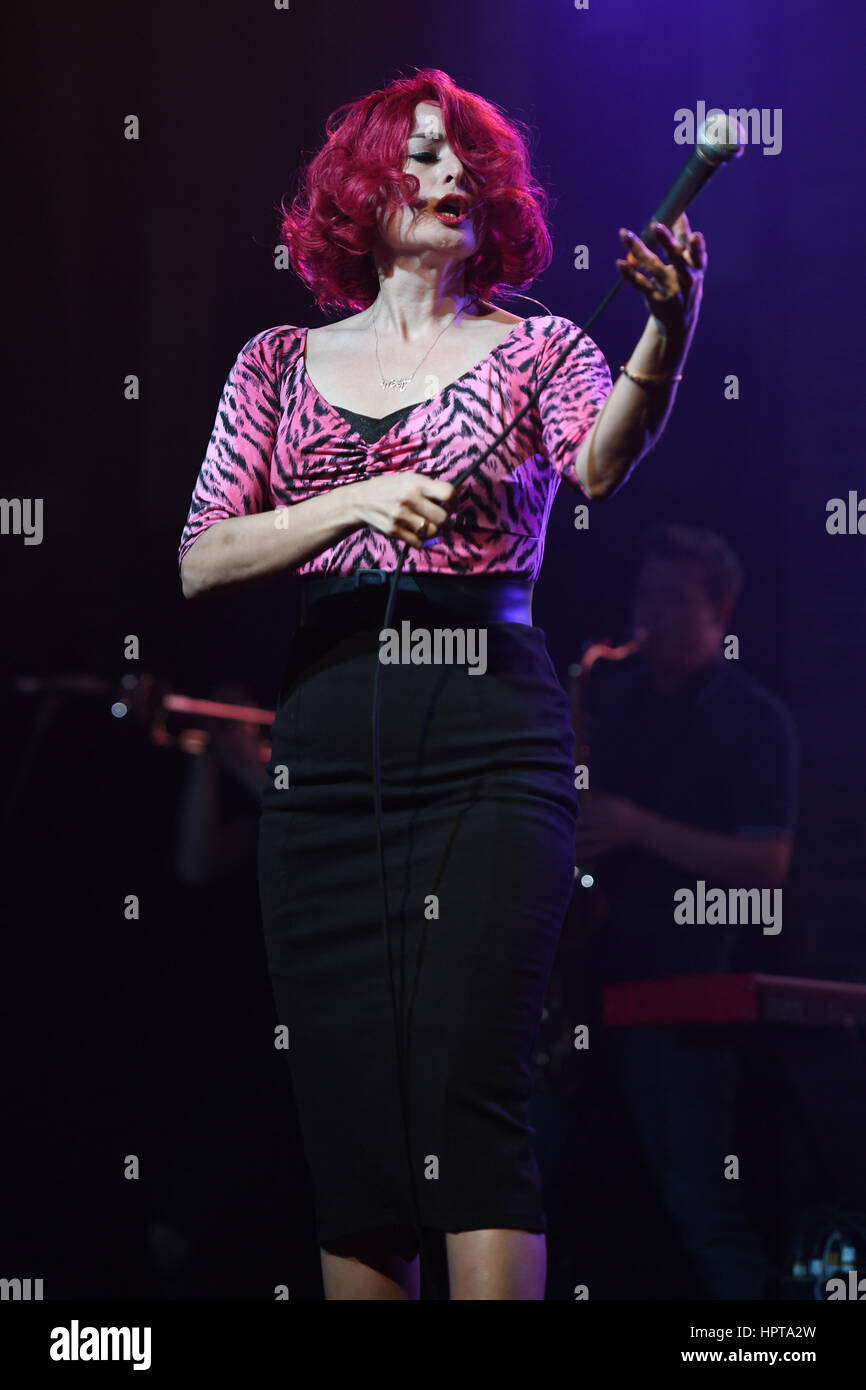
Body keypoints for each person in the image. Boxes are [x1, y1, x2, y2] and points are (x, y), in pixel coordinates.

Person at [177, 66, 706, 1300]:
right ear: (360, 188)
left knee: (471, 1093)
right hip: (328, 743)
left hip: (487, 734)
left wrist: (668, 335)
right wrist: (354, 500)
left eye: (467, 156)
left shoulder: (534, 348)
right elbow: (205, 557)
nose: (449, 173)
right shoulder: (275, 364)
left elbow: (595, 468)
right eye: (418, 155)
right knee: (353, 1126)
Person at [574, 524, 799, 1297]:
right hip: (606, 980)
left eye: (674, 601)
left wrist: (636, 827)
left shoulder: (754, 718)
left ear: (721, 611)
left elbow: (768, 870)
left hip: (698, 994)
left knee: (702, 1202)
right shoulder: (622, 702)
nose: (651, 617)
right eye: (646, 597)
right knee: (613, 1201)